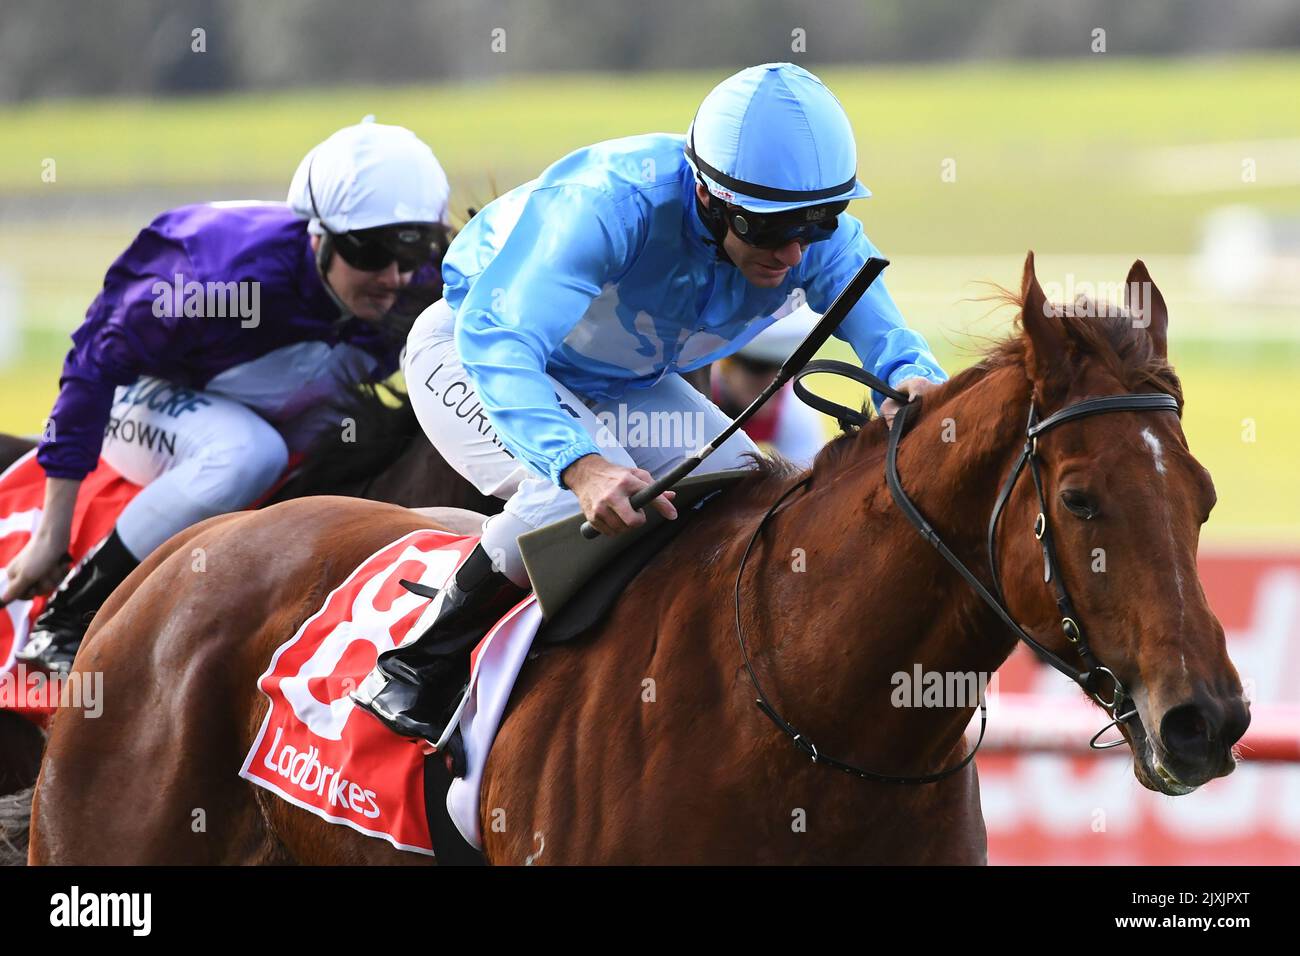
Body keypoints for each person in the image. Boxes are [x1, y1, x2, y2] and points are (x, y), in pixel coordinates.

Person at [351, 63, 947, 749]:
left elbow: (879, 322)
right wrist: (581, 464)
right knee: (563, 501)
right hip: (478, 349)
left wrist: (916, 378)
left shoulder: (801, 224)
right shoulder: (606, 204)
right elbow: (501, 342)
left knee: (741, 483)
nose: (792, 250)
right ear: (707, 194)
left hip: (622, 378)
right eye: (769, 228)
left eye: (817, 224)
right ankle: (417, 665)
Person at [3, 118, 452, 675]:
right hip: (146, 397)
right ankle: (68, 617)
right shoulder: (221, 279)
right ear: (319, 236)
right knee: (247, 453)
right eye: (370, 254)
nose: (394, 278)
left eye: (412, 255)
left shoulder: (426, 276)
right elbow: (92, 363)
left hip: (286, 402)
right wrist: (52, 532)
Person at [712, 308, 830, 468]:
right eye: (759, 367)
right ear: (726, 364)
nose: (773, 381)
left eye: (784, 369)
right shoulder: (695, 391)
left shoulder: (794, 409)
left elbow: (807, 481)